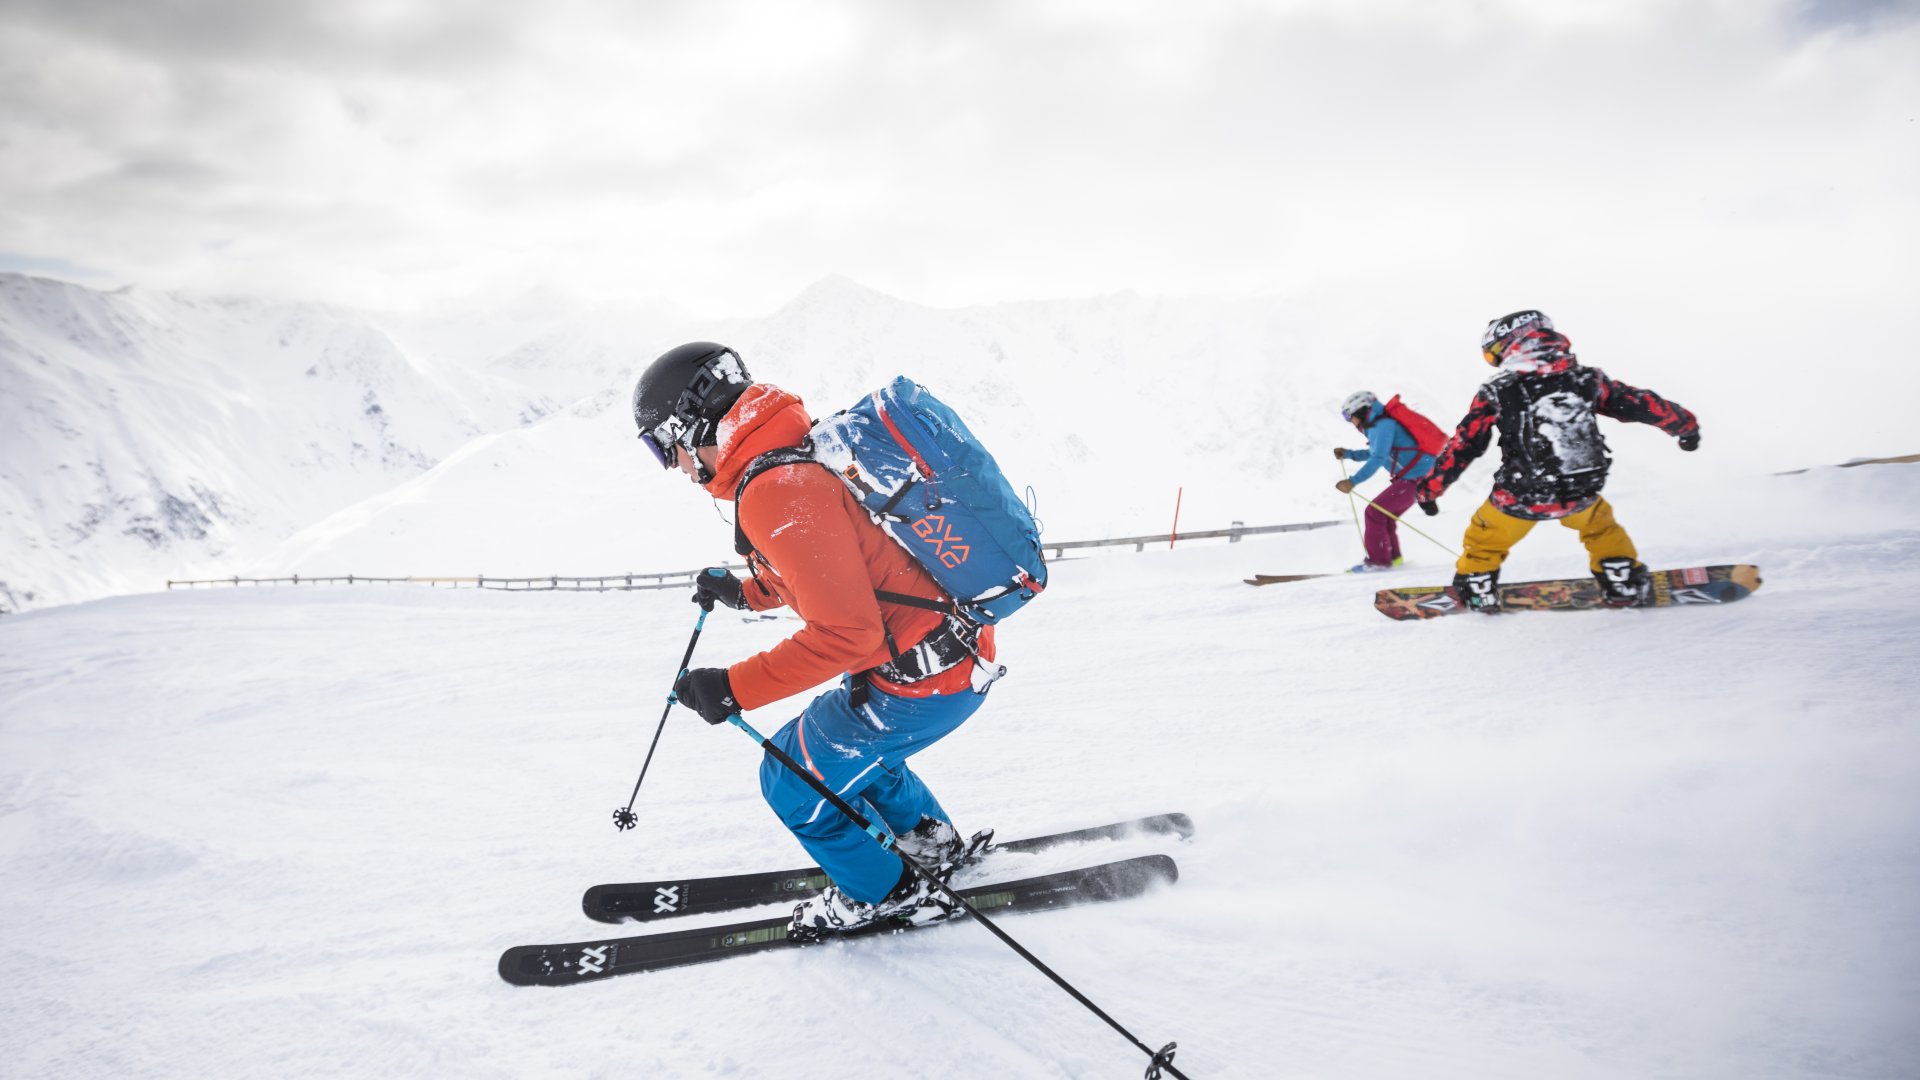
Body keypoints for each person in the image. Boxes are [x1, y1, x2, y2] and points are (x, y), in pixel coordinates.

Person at [631, 341, 999, 938]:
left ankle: (886, 894)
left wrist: (732, 686)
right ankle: (930, 846)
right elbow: (837, 574)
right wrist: (745, 592)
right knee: (849, 756)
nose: (671, 464)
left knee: (790, 778)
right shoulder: (797, 452)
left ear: (687, 425)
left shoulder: (778, 488)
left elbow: (846, 633)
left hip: (921, 680)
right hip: (948, 659)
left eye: (660, 446)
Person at [1415, 311, 1701, 613]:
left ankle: (1478, 584)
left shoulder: (1498, 389)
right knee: (1602, 530)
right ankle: (1621, 579)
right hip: (1582, 493)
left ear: (1512, 344)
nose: (1495, 362)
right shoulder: (1586, 379)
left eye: (1494, 354)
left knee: (1485, 537)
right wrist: (1685, 427)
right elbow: (1639, 403)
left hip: (1521, 495)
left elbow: (1464, 445)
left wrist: (1429, 491)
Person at [1333, 390, 1438, 573]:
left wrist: (1353, 481)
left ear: (1360, 410)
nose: (1349, 421)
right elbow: (1376, 453)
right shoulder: (1378, 426)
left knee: (1373, 512)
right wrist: (1349, 454)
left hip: (1415, 478)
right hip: (1416, 477)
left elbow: (1378, 457)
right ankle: (1392, 559)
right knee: (1384, 515)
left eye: (1348, 416)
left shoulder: (1382, 426)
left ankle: (1378, 562)